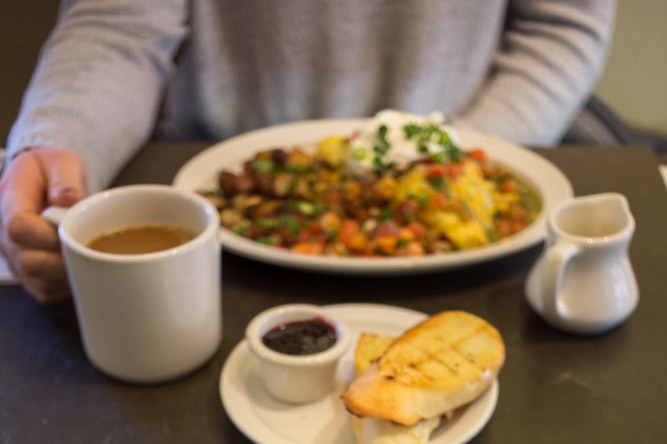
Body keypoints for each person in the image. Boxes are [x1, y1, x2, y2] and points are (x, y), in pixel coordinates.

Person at [0, 0, 616, 302]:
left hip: (477, 237)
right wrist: (56, 141)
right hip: (200, 244)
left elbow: (560, 26)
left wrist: (457, 164)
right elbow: (118, 25)